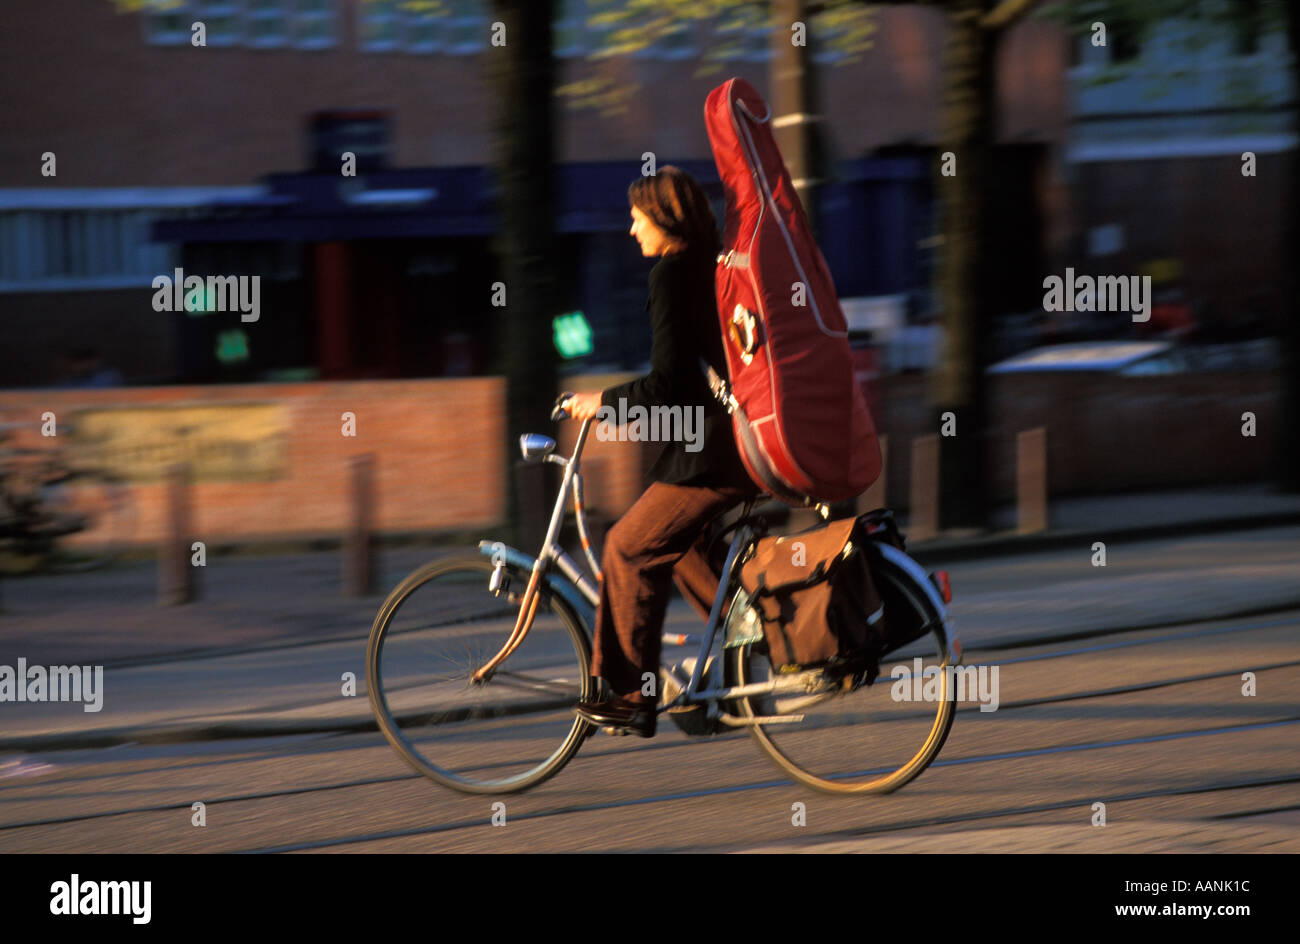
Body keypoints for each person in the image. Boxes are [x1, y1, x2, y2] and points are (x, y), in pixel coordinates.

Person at [565, 166, 762, 738]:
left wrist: (602, 402)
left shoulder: (671, 276)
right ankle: (746, 653)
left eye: (637, 217)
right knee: (678, 549)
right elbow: (692, 385)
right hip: (731, 443)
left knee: (626, 546)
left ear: (665, 220)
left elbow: (672, 384)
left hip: (714, 456)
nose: (631, 230)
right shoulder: (707, 268)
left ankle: (630, 697)